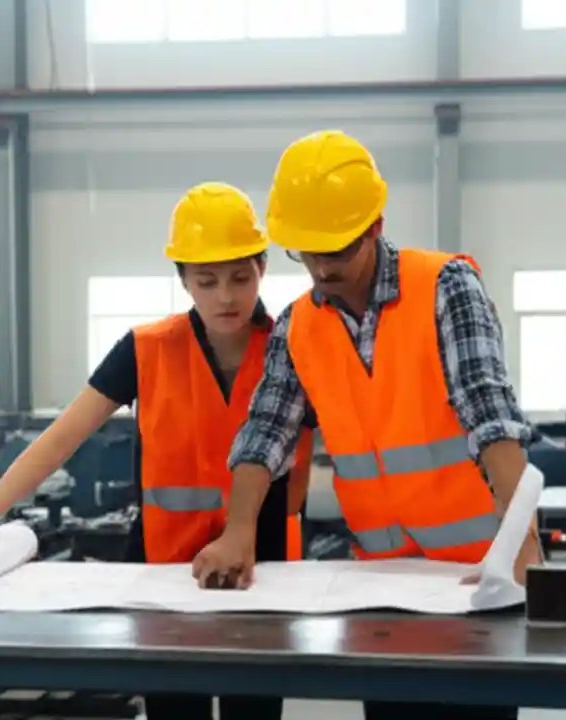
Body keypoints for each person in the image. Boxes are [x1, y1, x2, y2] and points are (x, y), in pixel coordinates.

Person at [191, 130, 543, 720]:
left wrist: (521, 547)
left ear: (375, 227)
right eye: (307, 252)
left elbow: (489, 411)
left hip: (475, 577)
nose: (322, 268)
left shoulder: (445, 287)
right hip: (380, 586)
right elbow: (265, 430)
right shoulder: (299, 325)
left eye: (336, 250)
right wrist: (239, 529)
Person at [0, 181, 309, 720]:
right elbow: (63, 437)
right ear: (183, 280)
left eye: (239, 277)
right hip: (163, 571)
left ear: (262, 270)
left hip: (261, 570)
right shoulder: (146, 351)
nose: (225, 297)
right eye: (207, 281)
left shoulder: (294, 350)